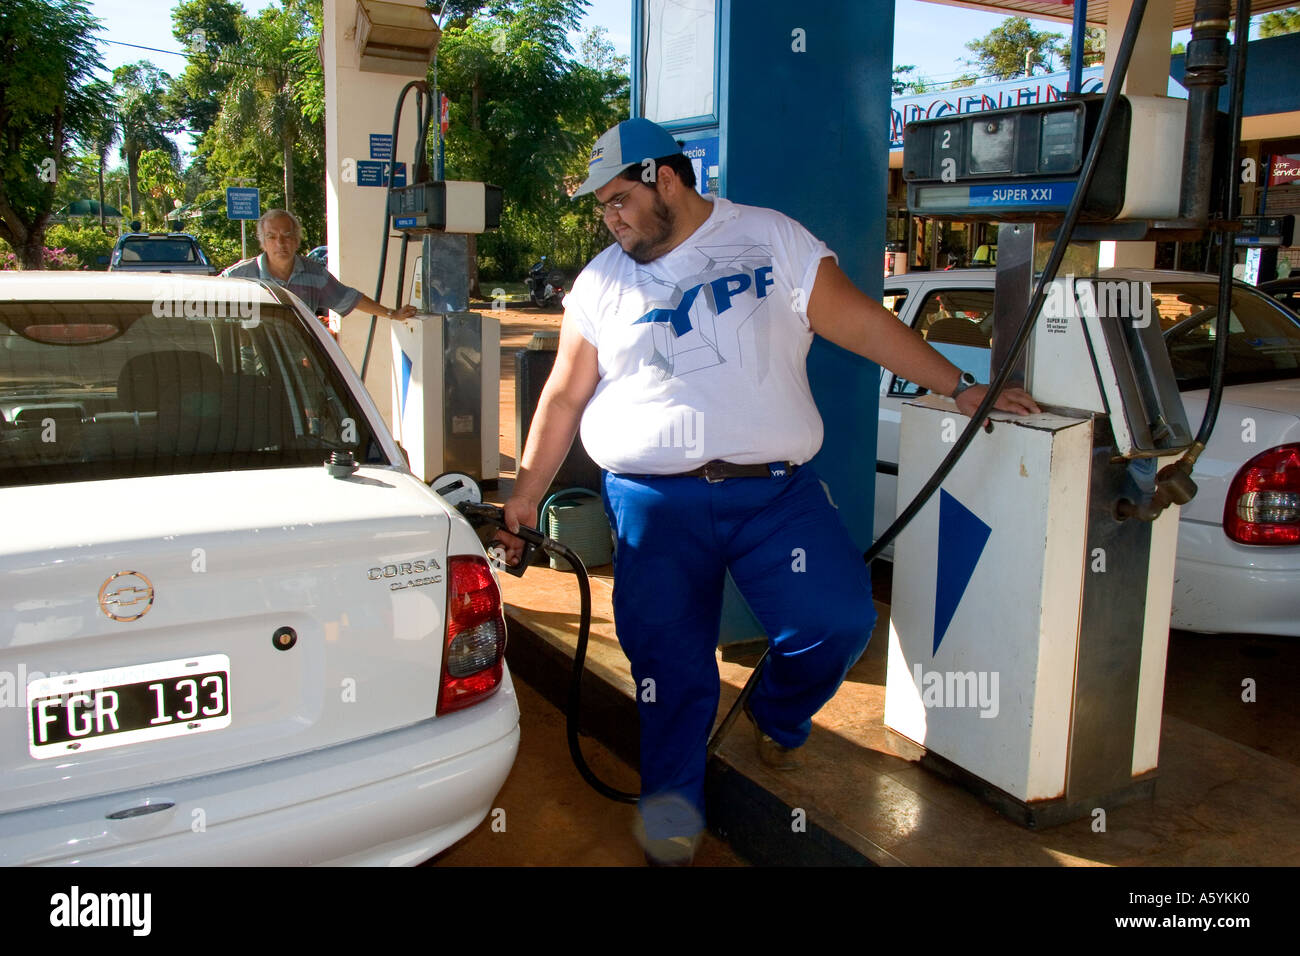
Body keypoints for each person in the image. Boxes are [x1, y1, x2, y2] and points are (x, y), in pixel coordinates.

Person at [496, 118, 1040, 865]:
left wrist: (958, 386)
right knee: (669, 671)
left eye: (619, 198)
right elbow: (562, 397)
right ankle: (671, 833)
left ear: (667, 178)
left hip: (773, 496)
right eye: (601, 208)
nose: (610, 218)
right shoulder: (602, 280)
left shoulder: (770, 238)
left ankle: (779, 716)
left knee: (838, 620)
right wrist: (526, 493)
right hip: (652, 504)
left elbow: (857, 322)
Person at [222, 209, 416, 327]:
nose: (280, 243)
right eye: (272, 237)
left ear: (297, 240)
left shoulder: (314, 275)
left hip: (298, 363)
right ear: (262, 242)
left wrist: (391, 314)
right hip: (250, 366)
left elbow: (348, 297)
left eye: (287, 235)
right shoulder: (239, 277)